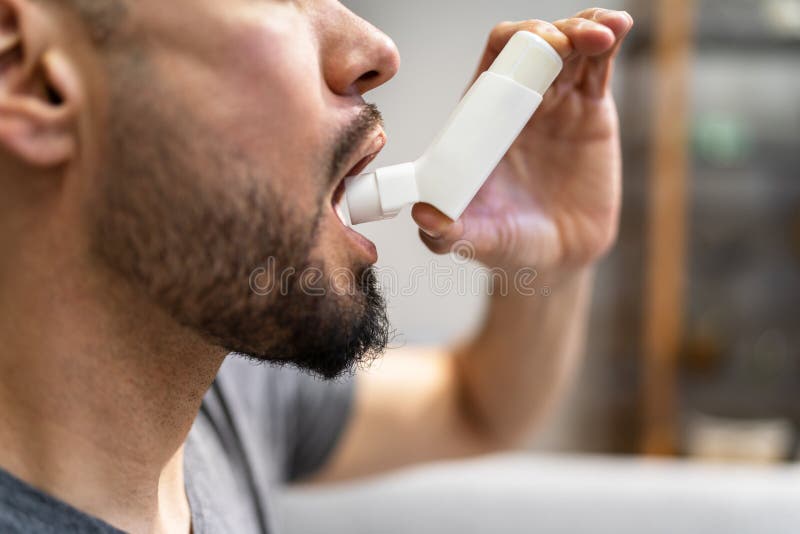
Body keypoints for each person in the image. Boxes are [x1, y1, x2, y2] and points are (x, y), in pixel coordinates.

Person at [0, 0, 633, 532]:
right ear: (29, 78)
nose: (376, 50)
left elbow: (478, 405)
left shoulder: (216, 385)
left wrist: (553, 264)